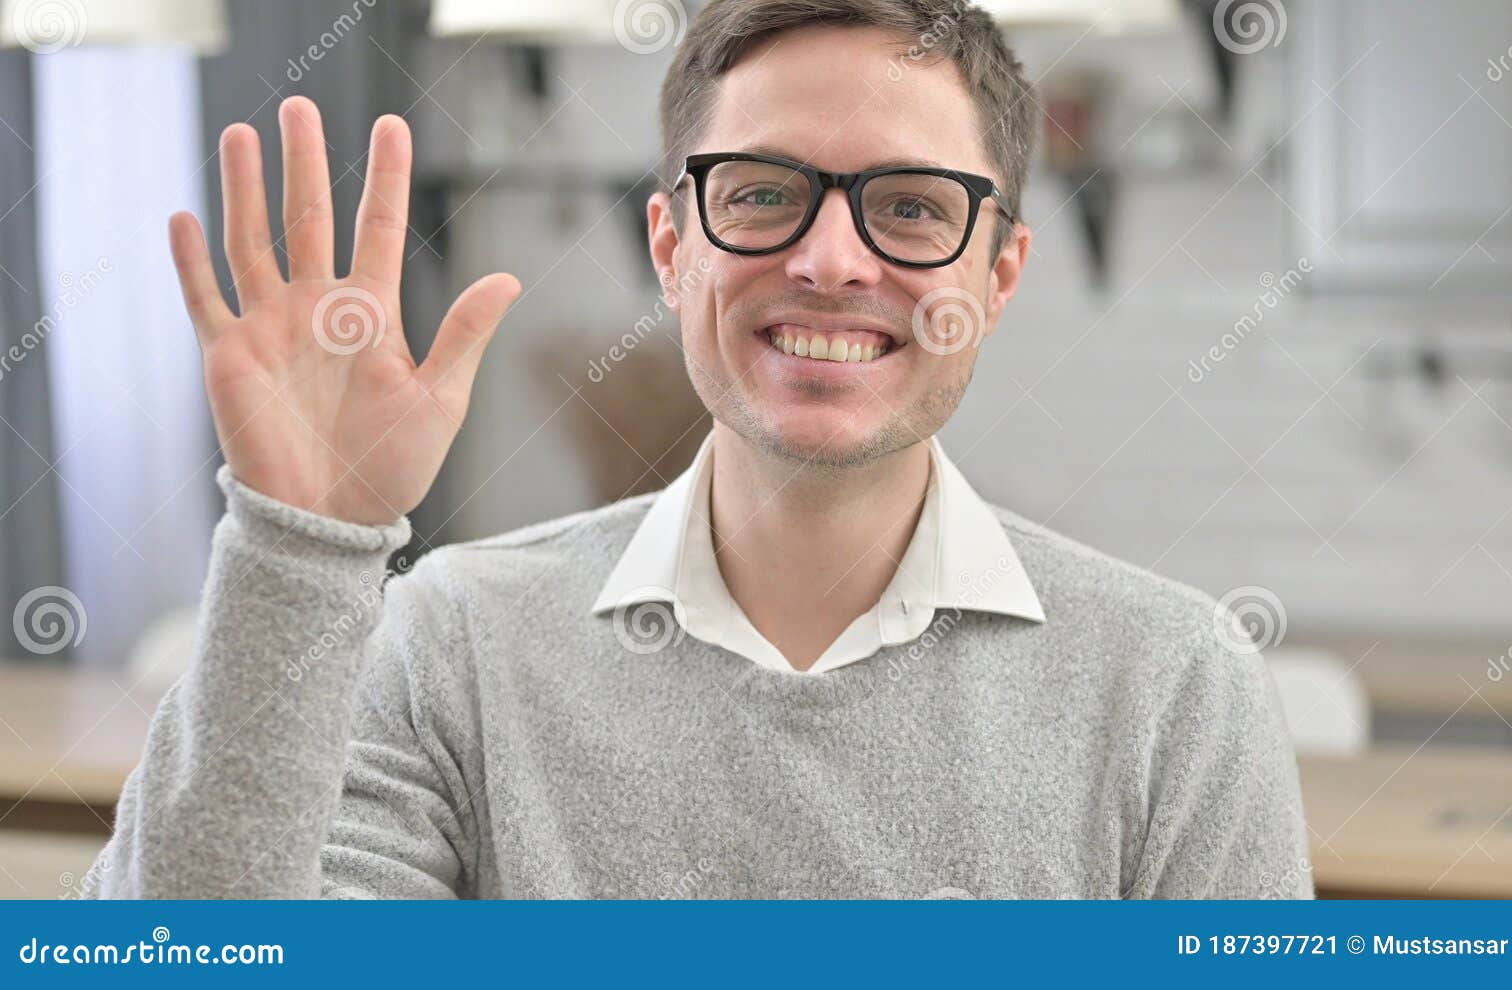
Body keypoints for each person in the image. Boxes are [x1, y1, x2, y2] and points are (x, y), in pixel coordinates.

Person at [85, 0, 1311, 899]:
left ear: (996, 277)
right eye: (765, 191)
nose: (832, 261)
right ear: (672, 251)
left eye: (914, 207)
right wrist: (303, 544)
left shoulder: (1177, 690)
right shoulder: (453, 644)